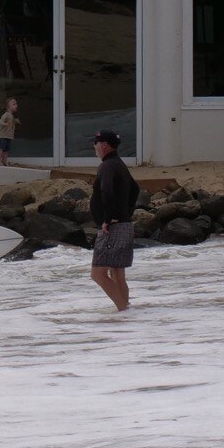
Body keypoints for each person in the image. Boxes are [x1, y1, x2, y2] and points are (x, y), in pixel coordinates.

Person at [89, 130, 139, 312]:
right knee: (117, 273)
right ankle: (126, 315)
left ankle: (123, 309)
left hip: (113, 227)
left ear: (104, 145)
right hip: (124, 224)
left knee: (98, 274)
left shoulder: (107, 166)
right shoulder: (119, 164)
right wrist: (127, 212)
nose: (94, 147)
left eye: (96, 143)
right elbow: (135, 189)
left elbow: (107, 192)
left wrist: (107, 219)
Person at [0, 97, 19, 166]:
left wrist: (15, 121)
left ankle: (4, 161)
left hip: (8, 136)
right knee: (1, 148)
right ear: (8, 107)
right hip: (2, 135)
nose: (16, 105)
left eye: (16, 104)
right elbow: (0, 121)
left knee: (6, 150)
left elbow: (11, 123)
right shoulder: (6, 114)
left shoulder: (11, 115)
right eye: (14, 104)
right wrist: (4, 123)